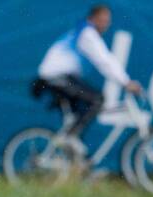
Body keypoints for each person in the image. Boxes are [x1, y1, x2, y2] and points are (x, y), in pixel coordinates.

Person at [34, 5, 142, 148]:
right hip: (57, 78)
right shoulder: (87, 34)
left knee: (81, 113)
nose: (106, 24)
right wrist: (126, 82)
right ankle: (70, 138)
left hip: (59, 77)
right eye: (102, 20)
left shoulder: (82, 32)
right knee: (97, 99)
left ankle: (74, 151)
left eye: (108, 21)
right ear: (92, 19)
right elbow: (104, 61)